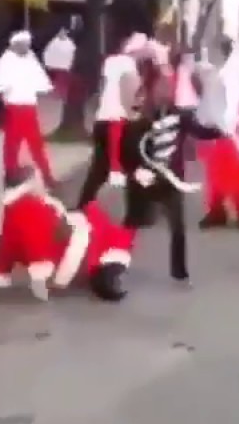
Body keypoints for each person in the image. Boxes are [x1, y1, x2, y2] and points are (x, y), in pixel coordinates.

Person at [117, 56, 227, 282]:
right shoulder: (141, 118)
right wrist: (135, 171)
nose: (166, 90)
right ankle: (115, 259)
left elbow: (200, 131)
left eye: (169, 85)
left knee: (177, 225)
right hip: (144, 178)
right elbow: (126, 150)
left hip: (172, 179)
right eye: (161, 86)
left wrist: (220, 131)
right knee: (132, 223)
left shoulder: (181, 115)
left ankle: (179, 270)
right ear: (151, 90)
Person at [0, 180, 136, 302]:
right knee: (29, 217)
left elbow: (8, 249)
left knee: (29, 216)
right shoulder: (93, 215)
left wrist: (1, 271)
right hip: (73, 238)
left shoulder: (116, 231)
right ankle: (108, 278)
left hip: (73, 242)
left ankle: (35, 269)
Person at [76, 30, 151, 209]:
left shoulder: (110, 62)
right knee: (135, 164)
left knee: (98, 168)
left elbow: (104, 88)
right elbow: (127, 92)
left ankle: (83, 206)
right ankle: (138, 212)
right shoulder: (129, 65)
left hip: (103, 119)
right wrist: (134, 113)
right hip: (119, 121)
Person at [197, 37, 239, 230]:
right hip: (215, 129)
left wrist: (228, 128)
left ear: (223, 52)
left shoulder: (230, 74)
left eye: (213, 50)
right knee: (215, 173)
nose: (209, 54)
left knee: (238, 172)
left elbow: (232, 102)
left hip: (228, 129)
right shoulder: (215, 72)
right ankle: (218, 211)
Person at [0, 30, 56, 188]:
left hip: (29, 105)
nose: (27, 47)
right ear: (15, 44)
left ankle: (47, 175)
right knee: (12, 143)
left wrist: (46, 87)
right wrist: (6, 94)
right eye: (24, 45)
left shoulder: (30, 58)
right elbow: (0, 82)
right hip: (14, 106)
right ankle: (10, 174)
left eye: (28, 45)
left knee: (35, 143)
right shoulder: (6, 60)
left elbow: (39, 76)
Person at [41, 27, 76, 98]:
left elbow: (73, 53)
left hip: (66, 66)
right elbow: (47, 52)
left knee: (64, 81)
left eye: (63, 32)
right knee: (57, 80)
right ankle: (58, 93)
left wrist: (73, 63)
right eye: (60, 32)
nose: (61, 33)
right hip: (56, 65)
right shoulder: (54, 42)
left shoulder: (70, 43)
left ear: (66, 33)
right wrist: (47, 63)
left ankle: (63, 94)